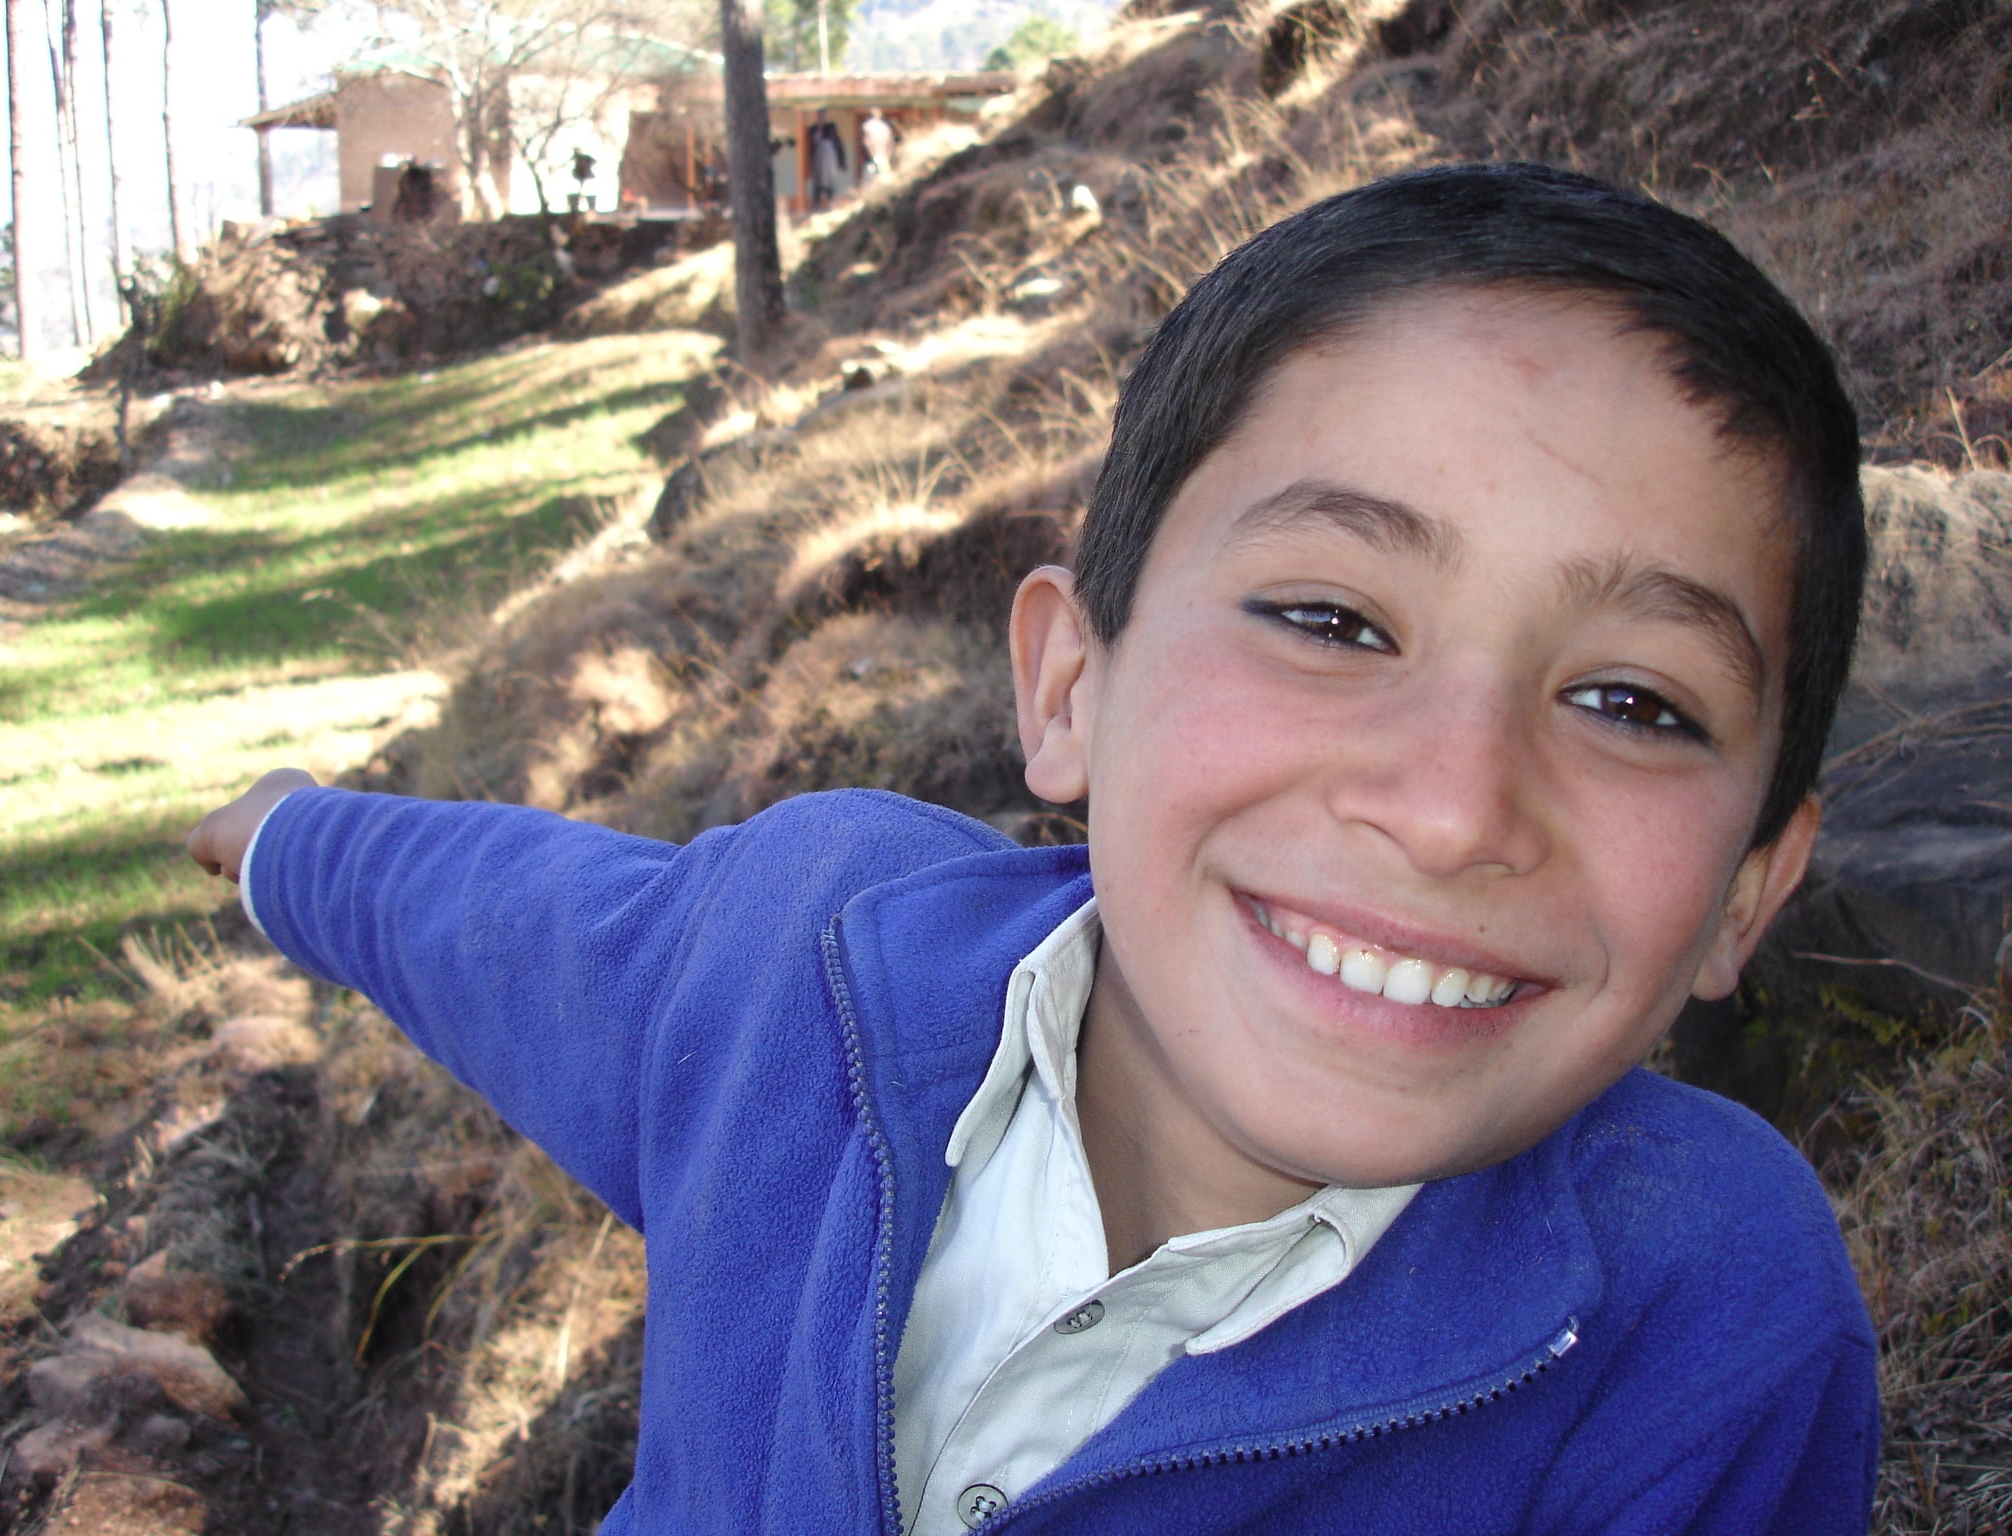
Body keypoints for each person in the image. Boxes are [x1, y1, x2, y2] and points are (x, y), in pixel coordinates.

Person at [188, 162, 1878, 1535]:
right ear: (1071, 688)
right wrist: (289, 839)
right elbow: (504, 925)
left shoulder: (1708, 1329)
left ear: (1745, 889)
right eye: (1330, 619)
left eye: (1632, 703)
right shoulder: (801, 956)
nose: (1450, 809)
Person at [862, 107, 896, 182]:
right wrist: (887, 156)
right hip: (884, 158)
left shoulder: (868, 126)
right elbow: (891, 143)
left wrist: (873, 154)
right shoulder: (886, 127)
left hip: (876, 159)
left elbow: (868, 142)